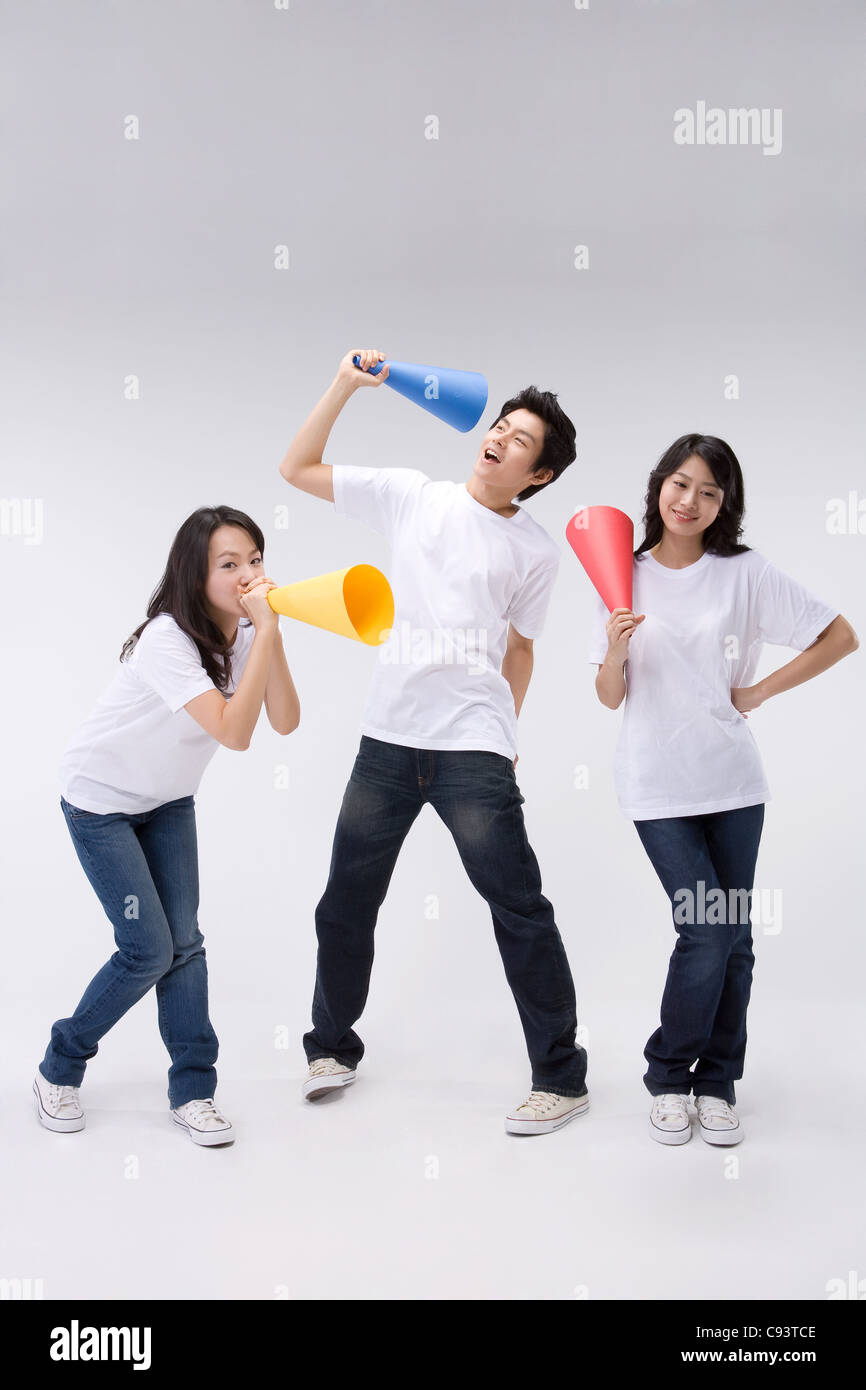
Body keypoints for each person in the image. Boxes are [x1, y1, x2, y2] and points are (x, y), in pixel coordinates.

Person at [280, 347, 587, 1134]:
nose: (500, 439)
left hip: (473, 746)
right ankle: (331, 1048)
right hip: (387, 740)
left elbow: (521, 649)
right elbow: (297, 468)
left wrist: (506, 732)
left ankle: (561, 1076)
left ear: (540, 475)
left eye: (521, 440)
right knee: (346, 900)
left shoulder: (536, 552)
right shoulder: (411, 496)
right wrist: (346, 383)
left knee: (520, 908)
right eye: (500, 425)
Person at [588, 434, 858, 1146]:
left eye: (710, 492)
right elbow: (608, 695)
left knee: (734, 942)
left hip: (734, 784)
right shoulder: (624, 572)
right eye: (681, 484)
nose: (690, 501)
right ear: (658, 488)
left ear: (723, 506)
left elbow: (839, 636)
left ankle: (718, 1082)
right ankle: (670, 1074)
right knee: (706, 930)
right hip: (657, 787)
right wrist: (614, 649)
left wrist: (760, 689)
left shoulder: (743, 573)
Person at [35, 506, 300, 1146]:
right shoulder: (167, 639)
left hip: (169, 801)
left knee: (184, 942)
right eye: (229, 565)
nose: (247, 576)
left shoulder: (247, 634)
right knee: (148, 948)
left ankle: (193, 1092)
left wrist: (272, 635)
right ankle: (59, 1066)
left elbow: (286, 720)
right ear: (193, 573)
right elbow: (236, 735)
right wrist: (260, 633)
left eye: (255, 560)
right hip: (101, 802)